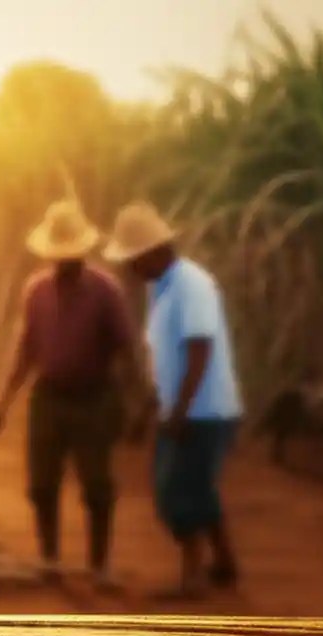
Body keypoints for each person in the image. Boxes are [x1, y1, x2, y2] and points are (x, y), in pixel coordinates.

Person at [0, 199, 151, 590]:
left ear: (83, 252)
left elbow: (127, 349)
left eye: (72, 255)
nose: (66, 262)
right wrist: (4, 402)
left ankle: (100, 566)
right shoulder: (36, 291)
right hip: (48, 396)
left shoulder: (105, 291)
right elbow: (26, 350)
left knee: (97, 485)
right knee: (42, 484)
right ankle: (49, 560)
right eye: (60, 256)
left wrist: (141, 400)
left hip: (95, 397)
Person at [103, 201, 244, 599]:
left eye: (134, 258)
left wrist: (180, 410)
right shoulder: (161, 290)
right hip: (184, 408)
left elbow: (199, 348)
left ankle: (192, 576)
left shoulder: (191, 285)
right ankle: (225, 563)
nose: (131, 267)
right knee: (198, 488)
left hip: (204, 409)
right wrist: (152, 409)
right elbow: (166, 359)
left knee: (176, 491)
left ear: (153, 252)